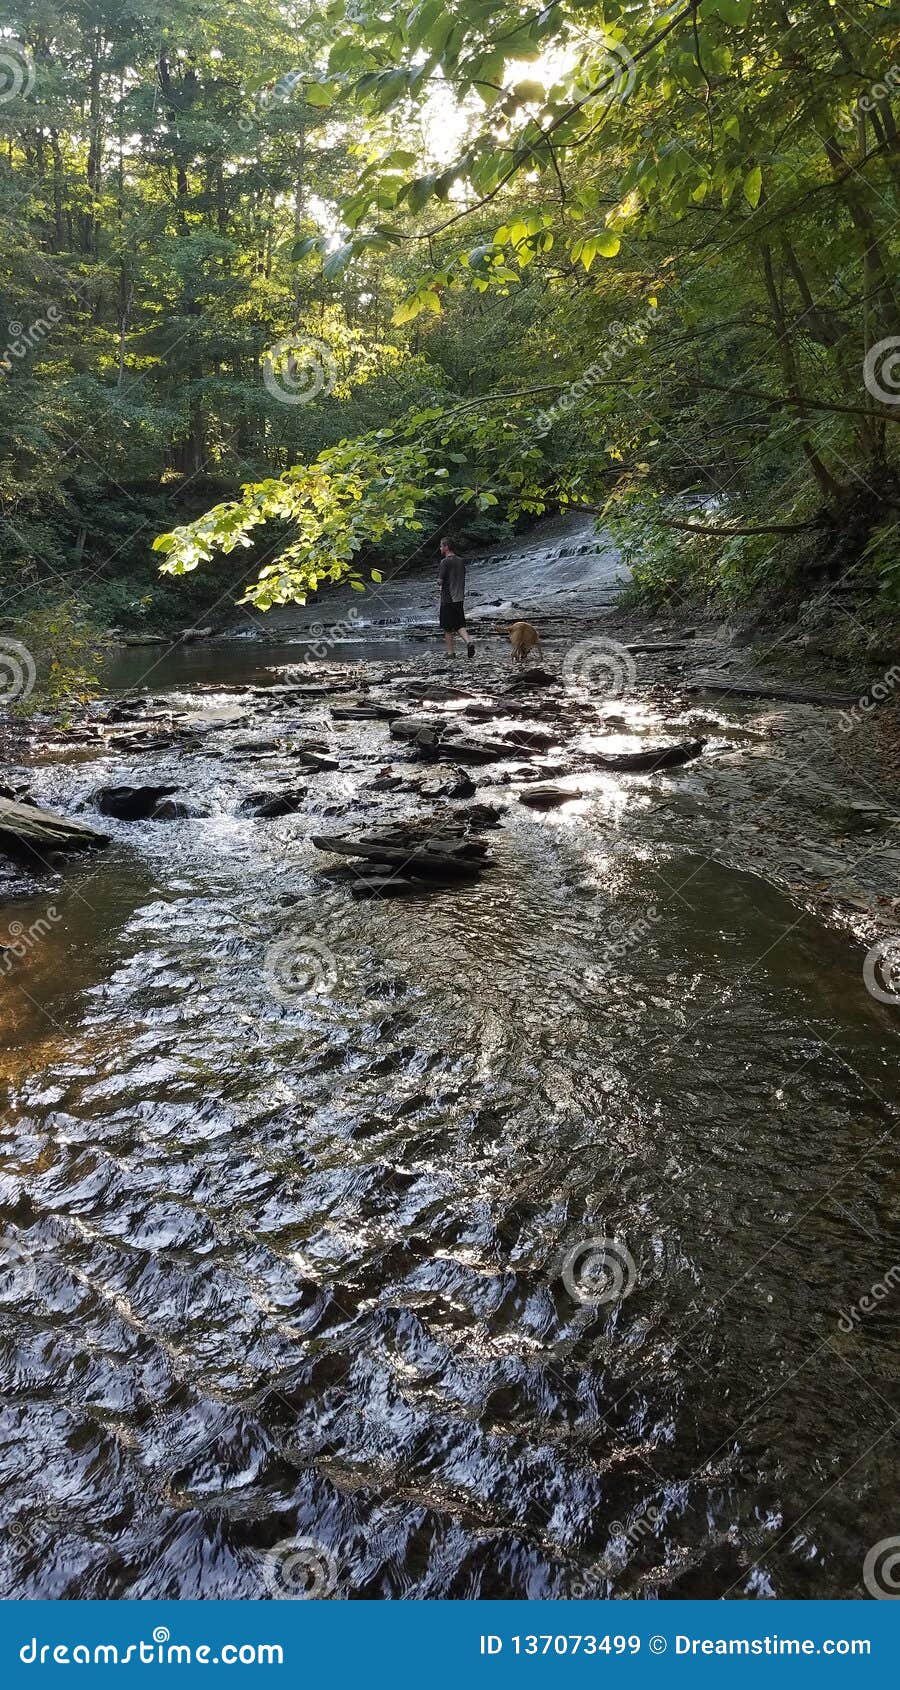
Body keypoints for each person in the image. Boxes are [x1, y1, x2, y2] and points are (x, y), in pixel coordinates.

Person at [437, 536, 475, 659]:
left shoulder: (444, 562)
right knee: (459, 624)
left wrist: (438, 582)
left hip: (447, 599)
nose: (440, 548)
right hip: (459, 598)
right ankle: (469, 641)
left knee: (447, 627)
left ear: (446, 547)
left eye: (441, 546)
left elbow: (440, 581)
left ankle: (450, 653)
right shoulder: (460, 560)